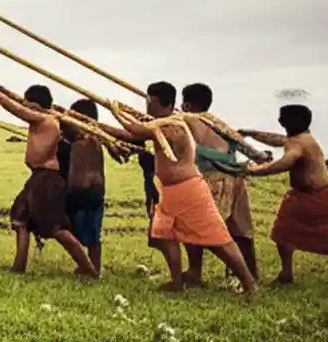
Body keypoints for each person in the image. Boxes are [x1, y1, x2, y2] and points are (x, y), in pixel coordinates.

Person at [108, 81, 256, 294]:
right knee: (165, 236)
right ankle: (177, 283)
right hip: (170, 192)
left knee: (218, 240)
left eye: (151, 102)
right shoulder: (163, 123)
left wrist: (114, 110)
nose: (148, 106)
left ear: (167, 104)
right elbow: (134, 131)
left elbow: (132, 130)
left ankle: (249, 284)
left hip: (189, 190)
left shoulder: (172, 125)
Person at [242, 104, 328, 286]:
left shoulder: (299, 143)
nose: (279, 120)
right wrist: (250, 133)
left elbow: (285, 162)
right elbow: (277, 139)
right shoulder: (300, 138)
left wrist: (254, 170)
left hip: (322, 197)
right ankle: (286, 275)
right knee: (282, 233)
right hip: (300, 197)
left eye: (282, 118)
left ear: (289, 121)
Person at [0, 83, 97, 277]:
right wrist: (1, 89)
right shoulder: (42, 118)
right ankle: (19, 266)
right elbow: (18, 103)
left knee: (56, 228)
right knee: (20, 218)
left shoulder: (45, 119)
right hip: (38, 178)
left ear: (36, 105)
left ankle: (89, 269)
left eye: (28, 102)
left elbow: (17, 109)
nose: (24, 105)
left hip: (48, 180)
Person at [180, 83, 259, 285]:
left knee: (198, 226)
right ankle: (251, 272)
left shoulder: (186, 120)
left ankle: (195, 271)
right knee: (240, 229)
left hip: (212, 180)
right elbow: (246, 148)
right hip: (235, 179)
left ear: (187, 105)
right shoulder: (219, 124)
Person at [59, 98, 129, 274]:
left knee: (90, 232)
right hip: (84, 190)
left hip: (88, 190)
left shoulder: (94, 136)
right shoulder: (84, 137)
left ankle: (93, 268)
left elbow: (115, 150)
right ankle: (88, 265)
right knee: (84, 230)